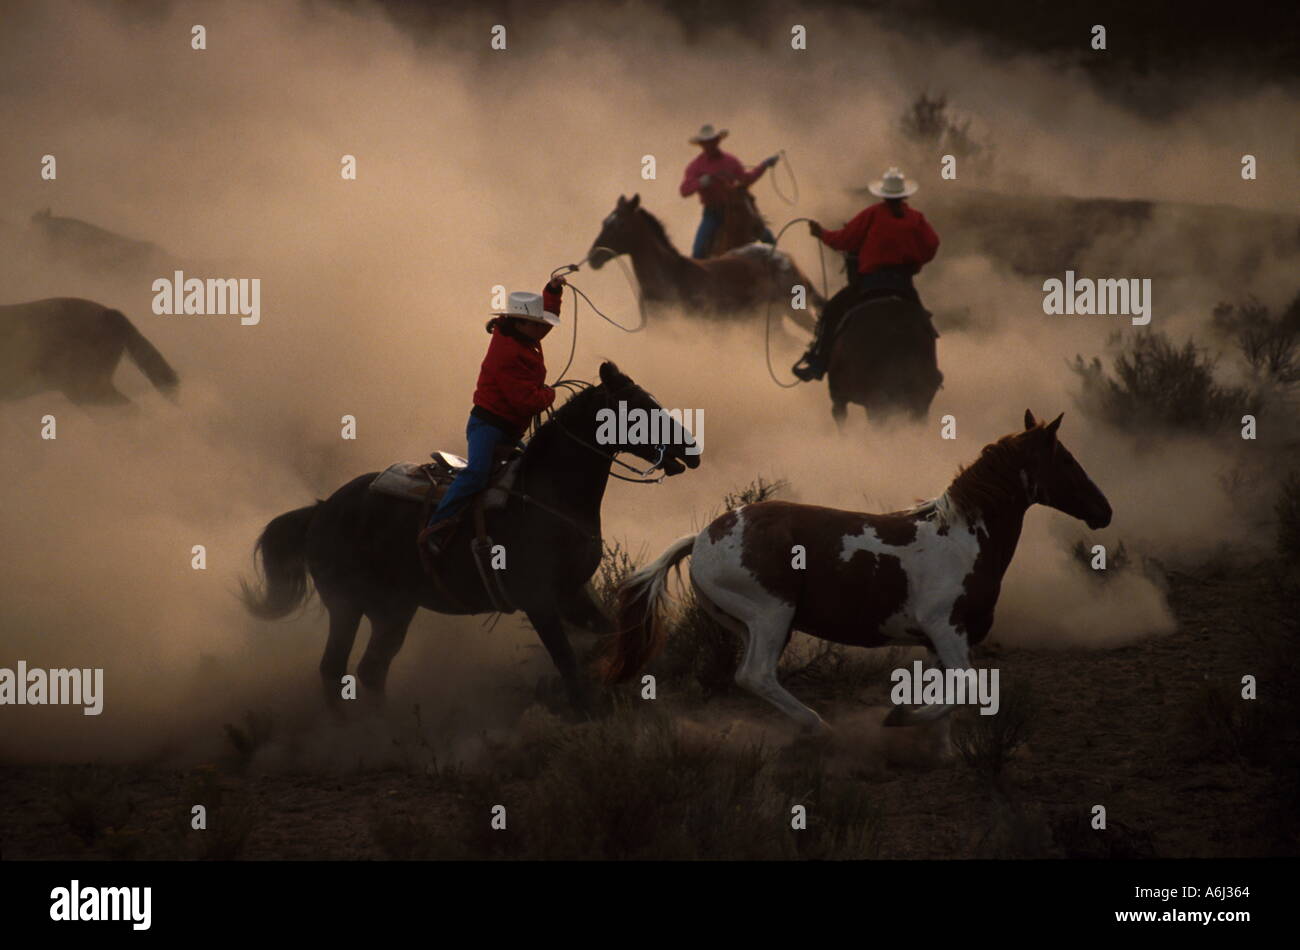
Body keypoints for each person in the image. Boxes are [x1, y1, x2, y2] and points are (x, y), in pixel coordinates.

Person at [422, 277, 564, 555]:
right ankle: (435, 528)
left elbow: (546, 317)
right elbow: (526, 402)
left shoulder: (523, 334)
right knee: (476, 474)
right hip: (488, 427)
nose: (543, 328)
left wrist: (554, 291)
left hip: (509, 430)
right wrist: (550, 394)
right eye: (537, 324)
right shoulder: (507, 353)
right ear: (522, 323)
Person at [791, 167, 940, 382]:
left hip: (870, 284)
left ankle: (817, 362)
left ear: (883, 195)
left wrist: (821, 233)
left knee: (831, 312)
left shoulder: (872, 214)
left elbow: (843, 240)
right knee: (926, 326)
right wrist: (916, 261)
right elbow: (932, 245)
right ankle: (931, 374)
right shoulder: (916, 218)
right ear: (904, 195)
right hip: (904, 285)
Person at [679, 124, 779, 259]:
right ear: (702, 145)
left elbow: (746, 179)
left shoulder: (730, 161)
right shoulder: (696, 166)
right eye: (706, 143)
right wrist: (701, 183)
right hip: (712, 214)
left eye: (712, 141)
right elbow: (684, 190)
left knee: (767, 238)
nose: (710, 145)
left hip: (736, 210)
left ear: (717, 141)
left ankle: (778, 267)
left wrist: (764, 165)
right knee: (698, 251)